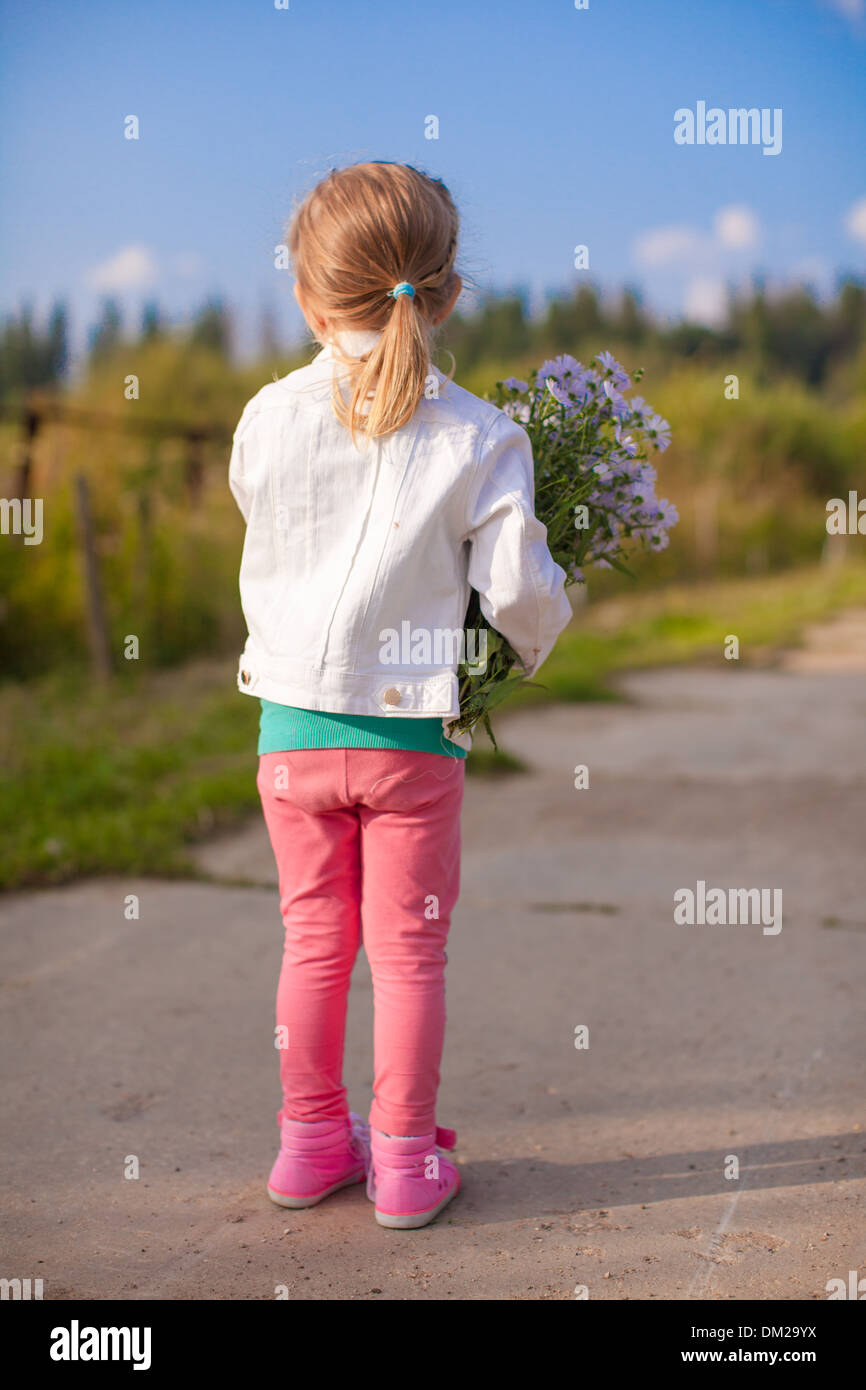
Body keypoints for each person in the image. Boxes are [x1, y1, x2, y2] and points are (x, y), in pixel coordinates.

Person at [229, 161, 572, 1229]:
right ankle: (406, 1162)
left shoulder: (267, 416)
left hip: (289, 730)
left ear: (304, 296)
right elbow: (519, 589)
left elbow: (267, 528)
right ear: (449, 291)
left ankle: (308, 1144)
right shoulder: (478, 433)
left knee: (311, 939)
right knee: (409, 948)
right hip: (410, 738)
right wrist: (519, 650)